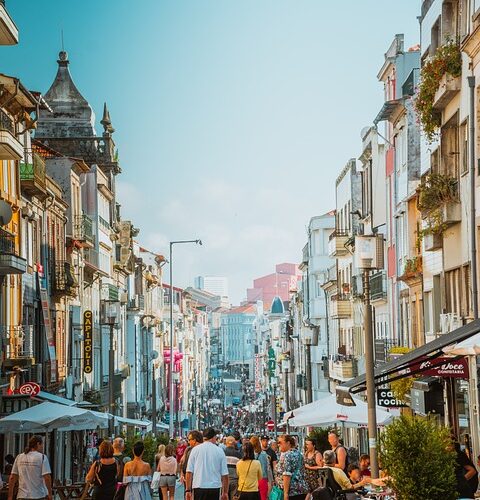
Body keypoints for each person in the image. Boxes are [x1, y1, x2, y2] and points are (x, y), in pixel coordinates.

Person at [185, 427, 229, 500]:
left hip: (199, 486)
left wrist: (188, 490)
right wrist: (225, 492)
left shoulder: (195, 450)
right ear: (213, 437)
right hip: (215, 487)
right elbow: (225, 475)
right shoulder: (219, 451)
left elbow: (189, 472)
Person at [8, 436, 52, 500]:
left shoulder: (19, 457)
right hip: (38, 495)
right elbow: (47, 477)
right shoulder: (42, 457)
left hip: (22, 496)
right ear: (38, 444)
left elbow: (12, 478)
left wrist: (10, 496)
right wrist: (50, 494)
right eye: (42, 444)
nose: (42, 447)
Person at [274, 435, 309, 500]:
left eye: (280, 442)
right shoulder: (299, 453)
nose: (278, 444)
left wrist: (286, 493)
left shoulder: (287, 455)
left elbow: (287, 475)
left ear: (288, 443)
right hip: (301, 489)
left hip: (291, 491)